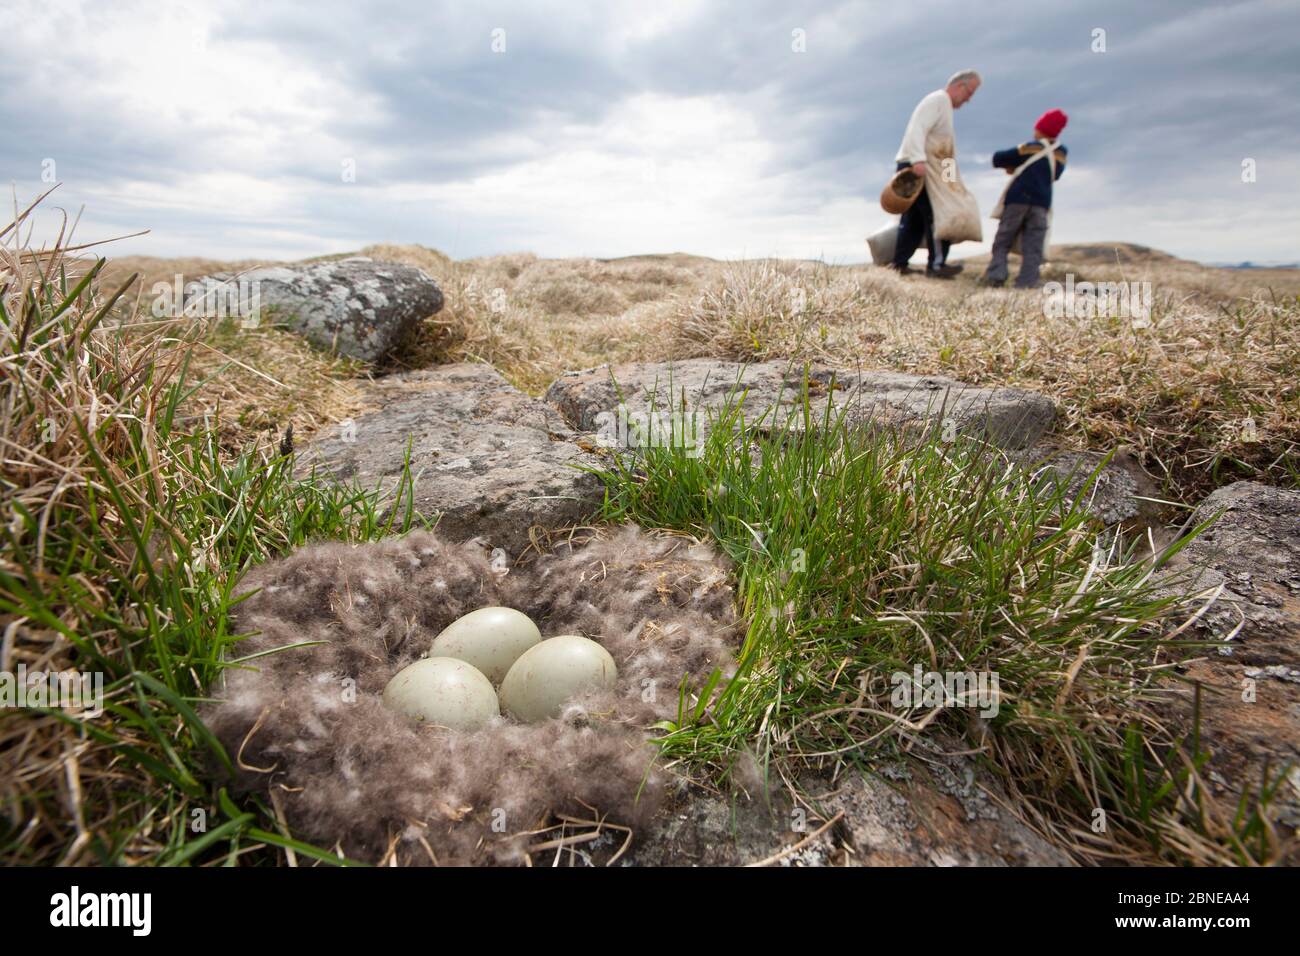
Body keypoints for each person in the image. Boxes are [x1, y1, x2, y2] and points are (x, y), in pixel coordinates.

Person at [890, 70, 981, 278]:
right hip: (921, 167)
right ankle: (937, 265)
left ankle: (899, 264)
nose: (969, 100)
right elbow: (917, 128)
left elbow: (945, 151)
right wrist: (917, 160)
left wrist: (951, 180)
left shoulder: (945, 108)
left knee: (914, 219)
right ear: (960, 86)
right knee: (937, 214)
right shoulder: (938, 101)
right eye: (970, 93)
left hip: (930, 169)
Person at [981, 108, 1069, 289]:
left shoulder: (1030, 147)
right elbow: (1056, 175)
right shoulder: (1060, 153)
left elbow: (999, 158)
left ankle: (996, 276)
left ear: (1041, 129)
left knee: (1003, 239)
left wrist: (1013, 166)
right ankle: (1027, 282)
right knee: (1034, 245)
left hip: (1018, 199)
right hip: (1041, 204)